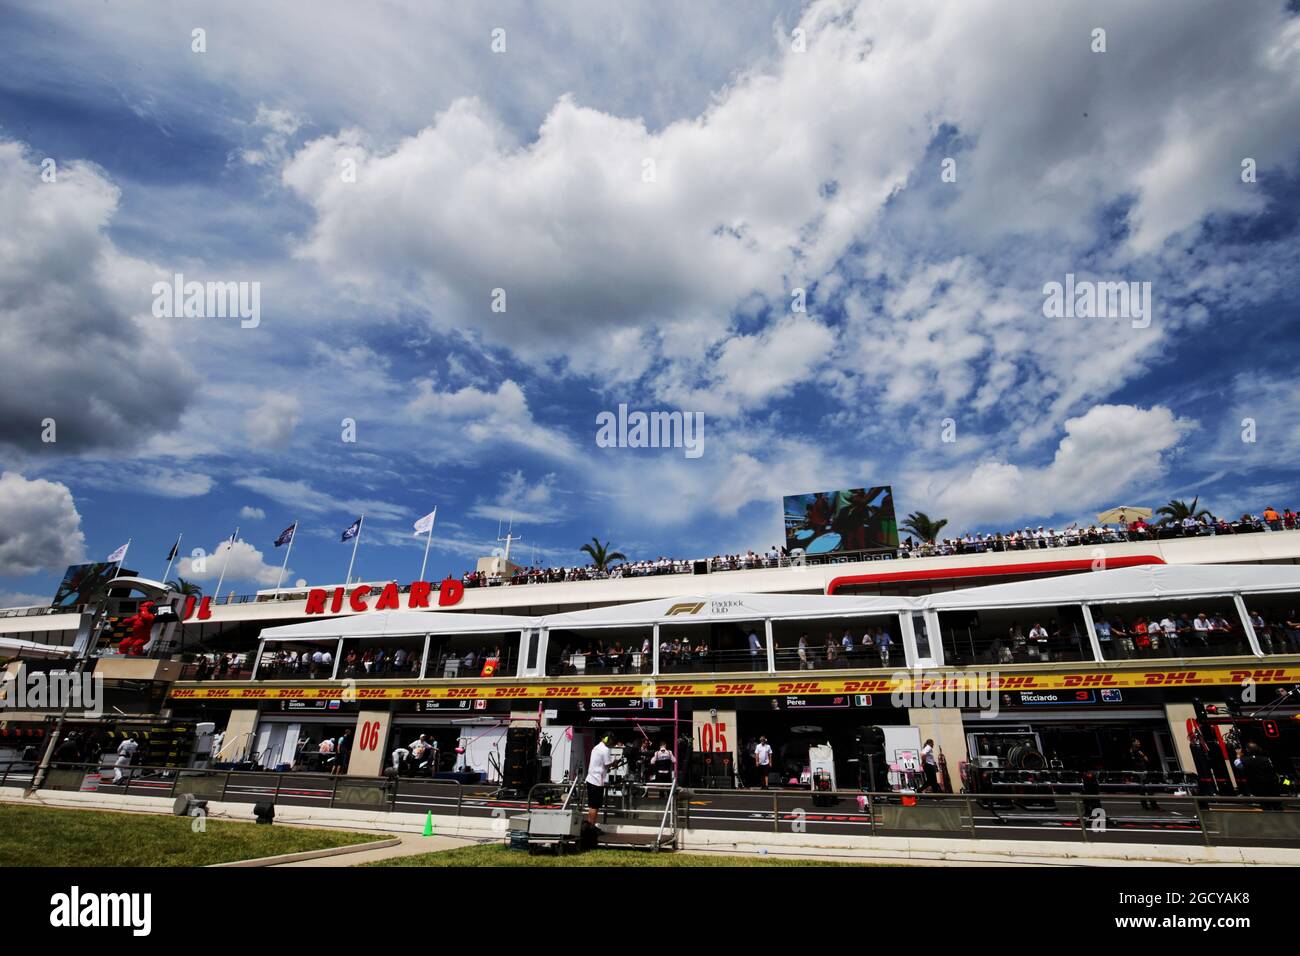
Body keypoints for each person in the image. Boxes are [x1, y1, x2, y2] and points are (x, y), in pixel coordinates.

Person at [585, 733, 621, 832]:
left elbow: (602, 765)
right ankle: (591, 827)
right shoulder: (605, 750)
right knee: (594, 806)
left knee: (592, 805)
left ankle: (589, 826)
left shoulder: (596, 747)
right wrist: (615, 763)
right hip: (597, 780)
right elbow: (608, 764)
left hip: (591, 778)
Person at [1128, 738, 1158, 810]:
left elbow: (1146, 759)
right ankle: (1154, 806)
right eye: (1137, 742)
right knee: (1148, 788)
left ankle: (1145, 806)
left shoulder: (1138, 751)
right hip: (1140, 772)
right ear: (1133, 743)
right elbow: (1138, 762)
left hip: (1143, 771)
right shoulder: (1133, 751)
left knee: (1143, 789)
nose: (1139, 743)